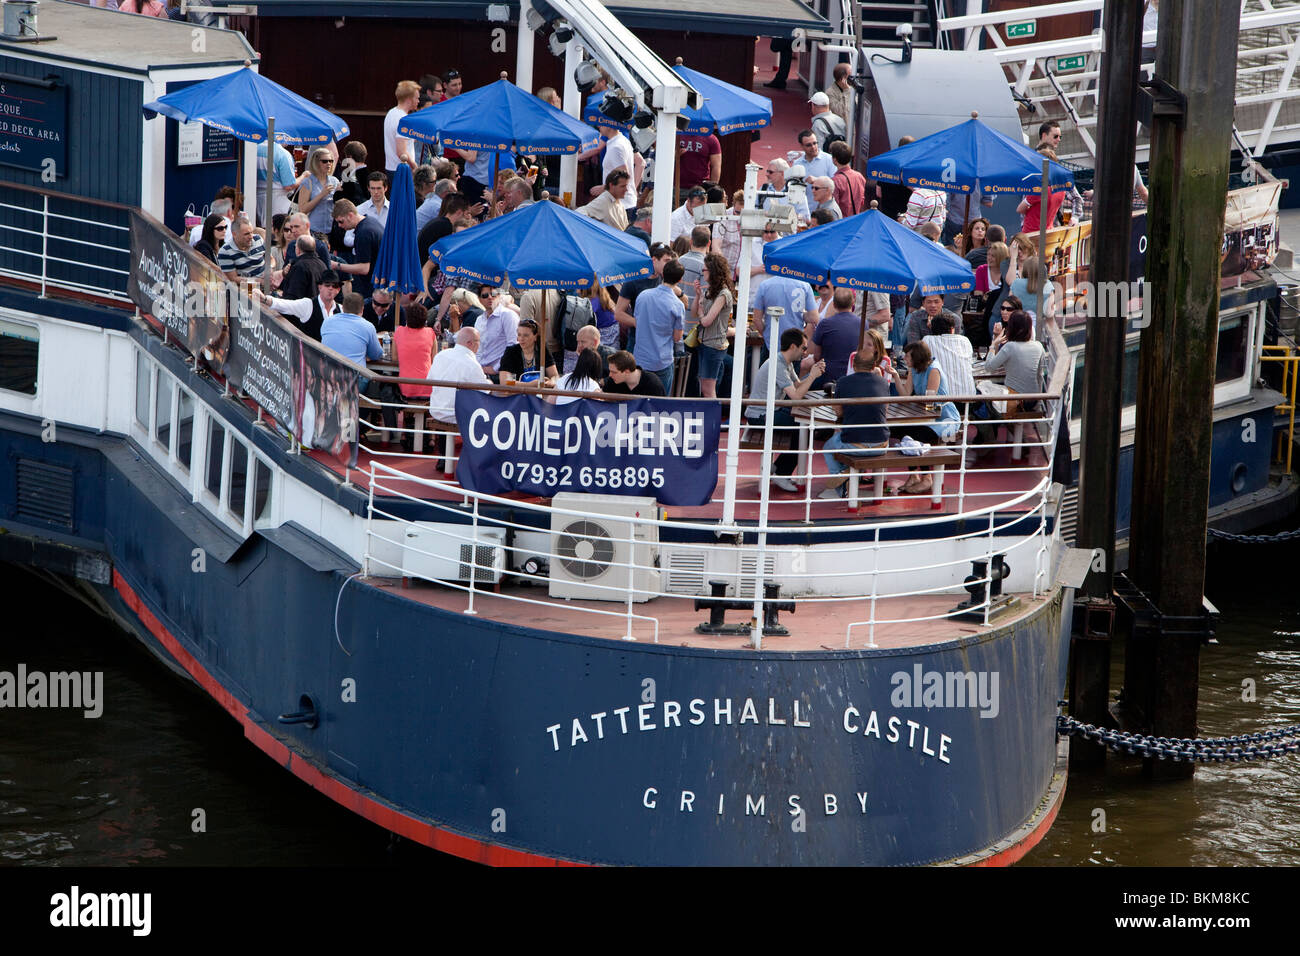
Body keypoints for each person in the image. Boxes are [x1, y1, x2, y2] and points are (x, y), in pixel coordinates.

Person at [746, 328, 824, 493]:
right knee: (803, 428)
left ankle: (779, 469)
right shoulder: (778, 365)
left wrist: (812, 374)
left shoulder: (784, 362)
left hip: (767, 411)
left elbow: (797, 386)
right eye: (803, 348)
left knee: (802, 426)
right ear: (793, 347)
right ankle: (781, 472)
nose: (805, 352)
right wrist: (812, 376)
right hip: (761, 415)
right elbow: (796, 396)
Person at [886, 341, 961, 492]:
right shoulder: (914, 369)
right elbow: (906, 395)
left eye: (907, 356)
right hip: (925, 414)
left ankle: (927, 477)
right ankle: (914, 475)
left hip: (944, 418)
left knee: (915, 433)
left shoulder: (933, 370)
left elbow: (930, 400)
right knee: (902, 430)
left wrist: (915, 408)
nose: (904, 358)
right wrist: (895, 375)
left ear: (917, 357)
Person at [818, 349, 890, 499]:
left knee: (828, 447)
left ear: (854, 365)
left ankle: (843, 487)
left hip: (855, 445)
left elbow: (838, 413)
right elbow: (885, 411)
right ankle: (850, 476)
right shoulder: (883, 382)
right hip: (881, 444)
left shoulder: (843, 382)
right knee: (846, 439)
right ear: (873, 367)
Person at [632, 258, 686, 395]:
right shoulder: (678, 305)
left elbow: (637, 320)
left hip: (641, 359)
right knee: (661, 405)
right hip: (662, 361)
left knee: (639, 403)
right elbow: (677, 337)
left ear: (663, 274)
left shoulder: (643, 296)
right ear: (679, 280)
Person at [690, 252, 736, 399]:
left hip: (714, 345)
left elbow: (706, 321)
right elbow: (692, 313)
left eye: (704, 270)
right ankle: (710, 418)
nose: (702, 273)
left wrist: (702, 312)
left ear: (713, 271)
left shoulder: (723, 294)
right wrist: (698, 295)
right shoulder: (710, 290)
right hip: (706, 343)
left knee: (708, 390)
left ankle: (712, 420)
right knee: (705, 387)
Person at [985, 309, 1047, 414]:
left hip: (1014, 399)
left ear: (1012, 327)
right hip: (1033, 399)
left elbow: (989, 367)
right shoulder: (1038, 346)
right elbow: (1040, 375)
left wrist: (993, 344)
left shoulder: (1010, 346)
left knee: (983, 386)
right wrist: (1038, 400)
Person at [256, 269, 343, 342]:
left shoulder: (341, 310)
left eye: (334, 286)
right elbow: (286, 305)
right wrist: (265, 299)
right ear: (320, 287)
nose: (331, 288)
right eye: (327, 285)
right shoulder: (308, 305)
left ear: (338, 290)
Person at [428, 327, 489, 424]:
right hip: (457, 415)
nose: (480, 345)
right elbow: (485, 391)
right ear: (470, 343)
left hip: (436, 410)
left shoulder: (441, 355)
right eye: (478, 341)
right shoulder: (472, 364)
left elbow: (430, 379)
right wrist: (490, 382)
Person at [331, 199, 383, 299]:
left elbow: (364, 269)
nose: (340, 226)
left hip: (373, 287)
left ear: (350, 215)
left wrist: (337, 265)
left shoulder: (364, 233)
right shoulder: (370, 221)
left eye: (341, 221)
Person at [322, 292, 383, 366]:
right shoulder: (367, 326)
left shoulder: (327, 321)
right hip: (354, 375)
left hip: (328, 373)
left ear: (343, 308)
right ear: (362, 309)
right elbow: (376, 355)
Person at [922, 314, 975, 399]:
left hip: (942, 401)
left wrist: (931, 329)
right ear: (952, 329)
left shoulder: (927, 340)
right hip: (968, 399)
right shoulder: (965, 340)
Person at [753, 272, 819, 340]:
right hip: (795, 340)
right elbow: (814, 318)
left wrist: (766, 336)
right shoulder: (805, 285)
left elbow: (756, 319)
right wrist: (799, 314)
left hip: (771, 339)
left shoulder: (765, 285)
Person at [1017, 147, 1068, 232]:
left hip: (1031, 232)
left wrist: (1031, 213)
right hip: (1048, 230)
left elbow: (1020, 209)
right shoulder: (1061, 189)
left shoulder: (1040, 189)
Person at [394, 303, 436, 402]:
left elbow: (395, 358)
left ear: (407, 318)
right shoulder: (430, 332)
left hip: (406, 387)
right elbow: (434, 359)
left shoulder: (399, 331)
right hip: (427, 386)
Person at [474, 287, 518, 379]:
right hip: (481, 372)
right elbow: (478, 347)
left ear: (499, 296)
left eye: (493, 294)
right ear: (479, 299)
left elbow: (514, 345)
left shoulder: (508, 315)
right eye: (485, 295)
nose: (490, 297)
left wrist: (496, 368)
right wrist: (477, 367)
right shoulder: (479, 320)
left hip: (501, 374)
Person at [498, 318, 558, 385]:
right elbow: (505, 382)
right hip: (517, 394)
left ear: (535, 336)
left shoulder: (542, 350)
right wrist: (530, 385)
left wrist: (549, 383)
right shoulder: (511, 352)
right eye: (519, 335)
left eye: (526, 335)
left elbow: (555, 376)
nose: (521, 339)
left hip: (540, 394)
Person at [298, 147, 341, 234]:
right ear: (316, 163)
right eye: (324, 161)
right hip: (314, 230)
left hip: (332, 230)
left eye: (331, 161)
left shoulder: (334, 181)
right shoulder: (308, 182)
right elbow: (302, 209)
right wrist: (321, 195)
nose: (328, 164)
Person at [384, 80, 420, 178]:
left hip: (391, 168)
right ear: (409, 99)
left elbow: (399, 140)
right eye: (417, 98)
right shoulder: (404, 120)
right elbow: (401, 152)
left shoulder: (391, 113)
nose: (418, 101)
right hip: (402, 170)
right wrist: (415, 167)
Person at [256, 140, 296, 225]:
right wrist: (304, 177)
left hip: (257, 198)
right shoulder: (282, 154)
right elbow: (289, 185)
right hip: (278, 200)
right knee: (276, 231)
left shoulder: (254, 148)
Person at [279, 233, 328, 301]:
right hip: (317, 307)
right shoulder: (322, 265)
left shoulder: (299, 266)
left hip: (301, 308)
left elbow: (293, 295)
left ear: (298, 250)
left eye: (295, 247)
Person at [217, 215, 266, 282]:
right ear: (234, 234)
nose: (251, 236)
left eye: (251, 232)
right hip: (247, 288)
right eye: (246, 234)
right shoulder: (226, 251)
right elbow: (233, 279)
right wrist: (257, 281)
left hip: (267, 283)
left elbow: (271, 259)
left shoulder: (258, 239)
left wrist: (270, 269)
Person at [712, 189, 745, 277]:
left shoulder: (753, 218)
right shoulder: (723, 217)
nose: (739, 217)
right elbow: (716, 246)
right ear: (733, 204)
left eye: (743, 214)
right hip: (726, 271)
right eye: (738, 213)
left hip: (744, 272)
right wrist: (723, 268)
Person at [830, 142, 867, 217]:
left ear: (835, 160)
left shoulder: (835, 181)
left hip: (842, 223)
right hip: (856, 220)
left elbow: (834, 208)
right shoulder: (859, 176)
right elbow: (862, 202)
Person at [679, 225, 710, 313]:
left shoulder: (679, 260)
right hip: (695, 321)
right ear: (709, 243)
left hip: (677, 318)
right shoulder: (706, 266)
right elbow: (704, 297)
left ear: (691, 241)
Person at [826, 63, 854, 131]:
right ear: (843, 78)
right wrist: (847, 91)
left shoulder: (853, 89)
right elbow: (841, 113)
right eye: (851, 76)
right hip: (841, 131)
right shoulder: (830, 93)